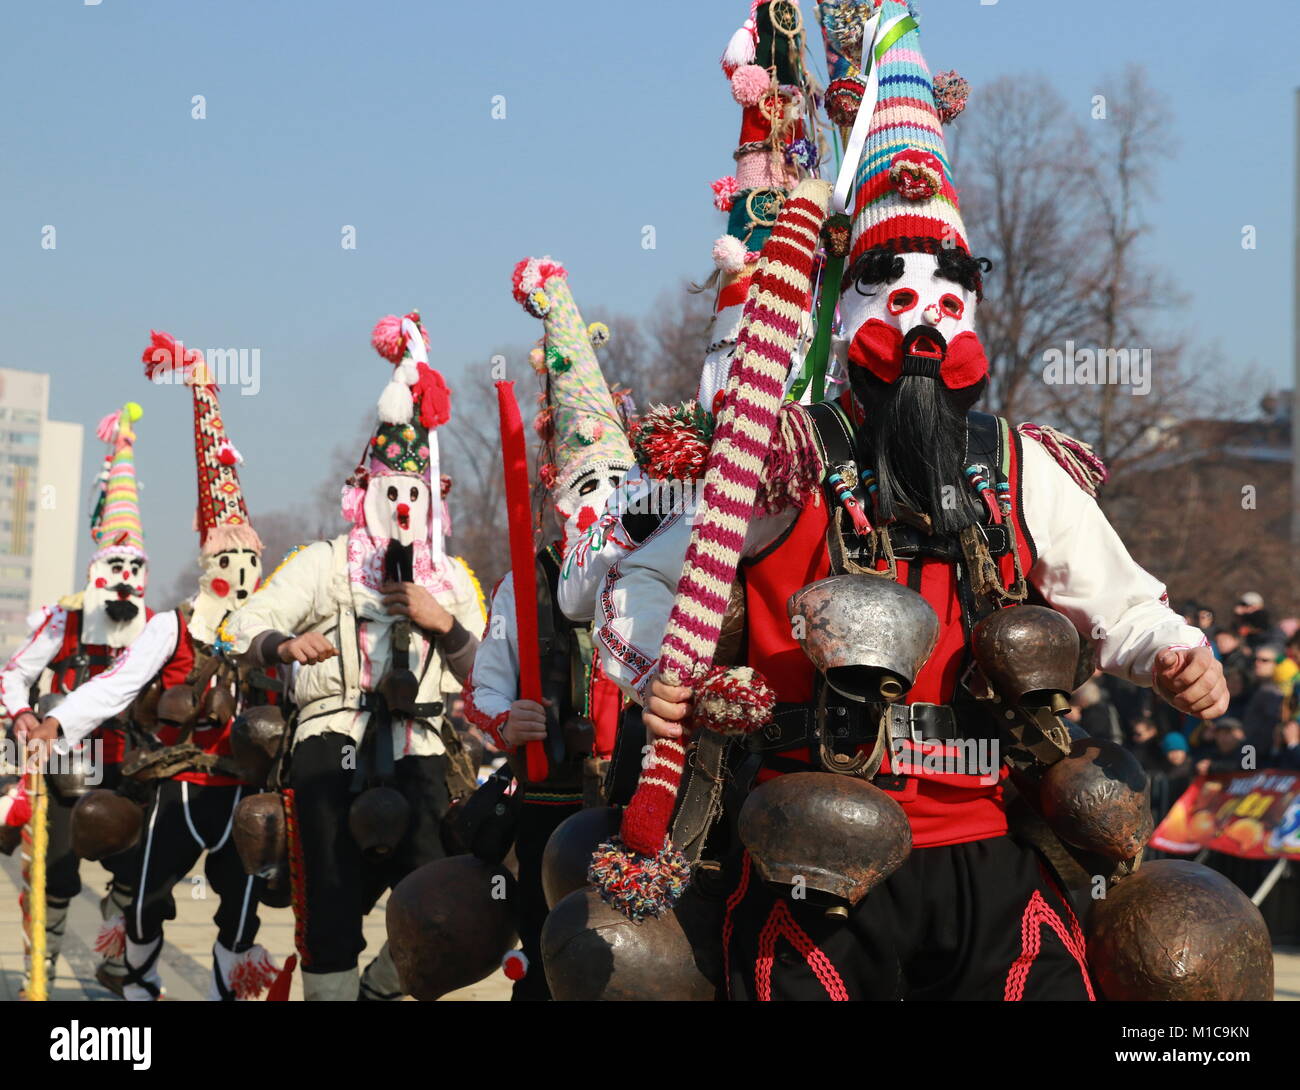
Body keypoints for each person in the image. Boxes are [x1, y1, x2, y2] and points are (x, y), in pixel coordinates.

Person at [597, 0, 1227, 1001]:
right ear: (848, 313)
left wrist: (1174, 652)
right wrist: (650, 674)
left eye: (946, 294)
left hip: (991, 847)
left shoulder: (1022, 467)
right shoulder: (782, 457)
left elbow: (1119, 602)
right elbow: (639, 575)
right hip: (815, 855)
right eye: (891, 287)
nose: (922, 321)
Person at [223, 311, 485, 1001]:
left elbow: (487, 679)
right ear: (366, 493)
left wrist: (444, 625)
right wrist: (281, 644)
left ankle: (380, 987)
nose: (402, 505)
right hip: (331, 742)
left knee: (444, 906)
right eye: (390, 492)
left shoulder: (453, 580)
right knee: (330, 907)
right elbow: (237, 623)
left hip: (423, 747)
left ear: (431, 499)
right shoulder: (324, 563)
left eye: (414, 494)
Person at [28, 333, 285, 1000]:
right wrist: (59, 726)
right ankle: (138, 990)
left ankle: (234, 989)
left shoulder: (267, 631)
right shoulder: (170, 626)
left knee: (241, 915)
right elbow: (116, 684)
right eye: (229, 562)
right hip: (177, 787)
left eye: (250, 562)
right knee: (142, 901)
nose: (242, 573)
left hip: (242, 797)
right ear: (209, 567)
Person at [463, 258, 631, 999]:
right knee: (545, 966)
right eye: (587, 485)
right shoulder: (520, 587)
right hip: (551, 803)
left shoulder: (672, 574)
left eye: (619, 485)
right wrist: (511, 718)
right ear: (560, 496)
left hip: (642, 804)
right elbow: (486, 687)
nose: (605, 503)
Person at [4, 402, 151, 995]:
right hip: (66, 764)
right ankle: (41, 968)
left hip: (132, 766)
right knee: (58, 876)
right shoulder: (62, 622)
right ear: (96, 572)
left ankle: (118, 961)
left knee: (137, 871)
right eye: (113, 567)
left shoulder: (157, 628)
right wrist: (21, 716)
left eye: (133, 569)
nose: (123, 580)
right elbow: (12, 674)